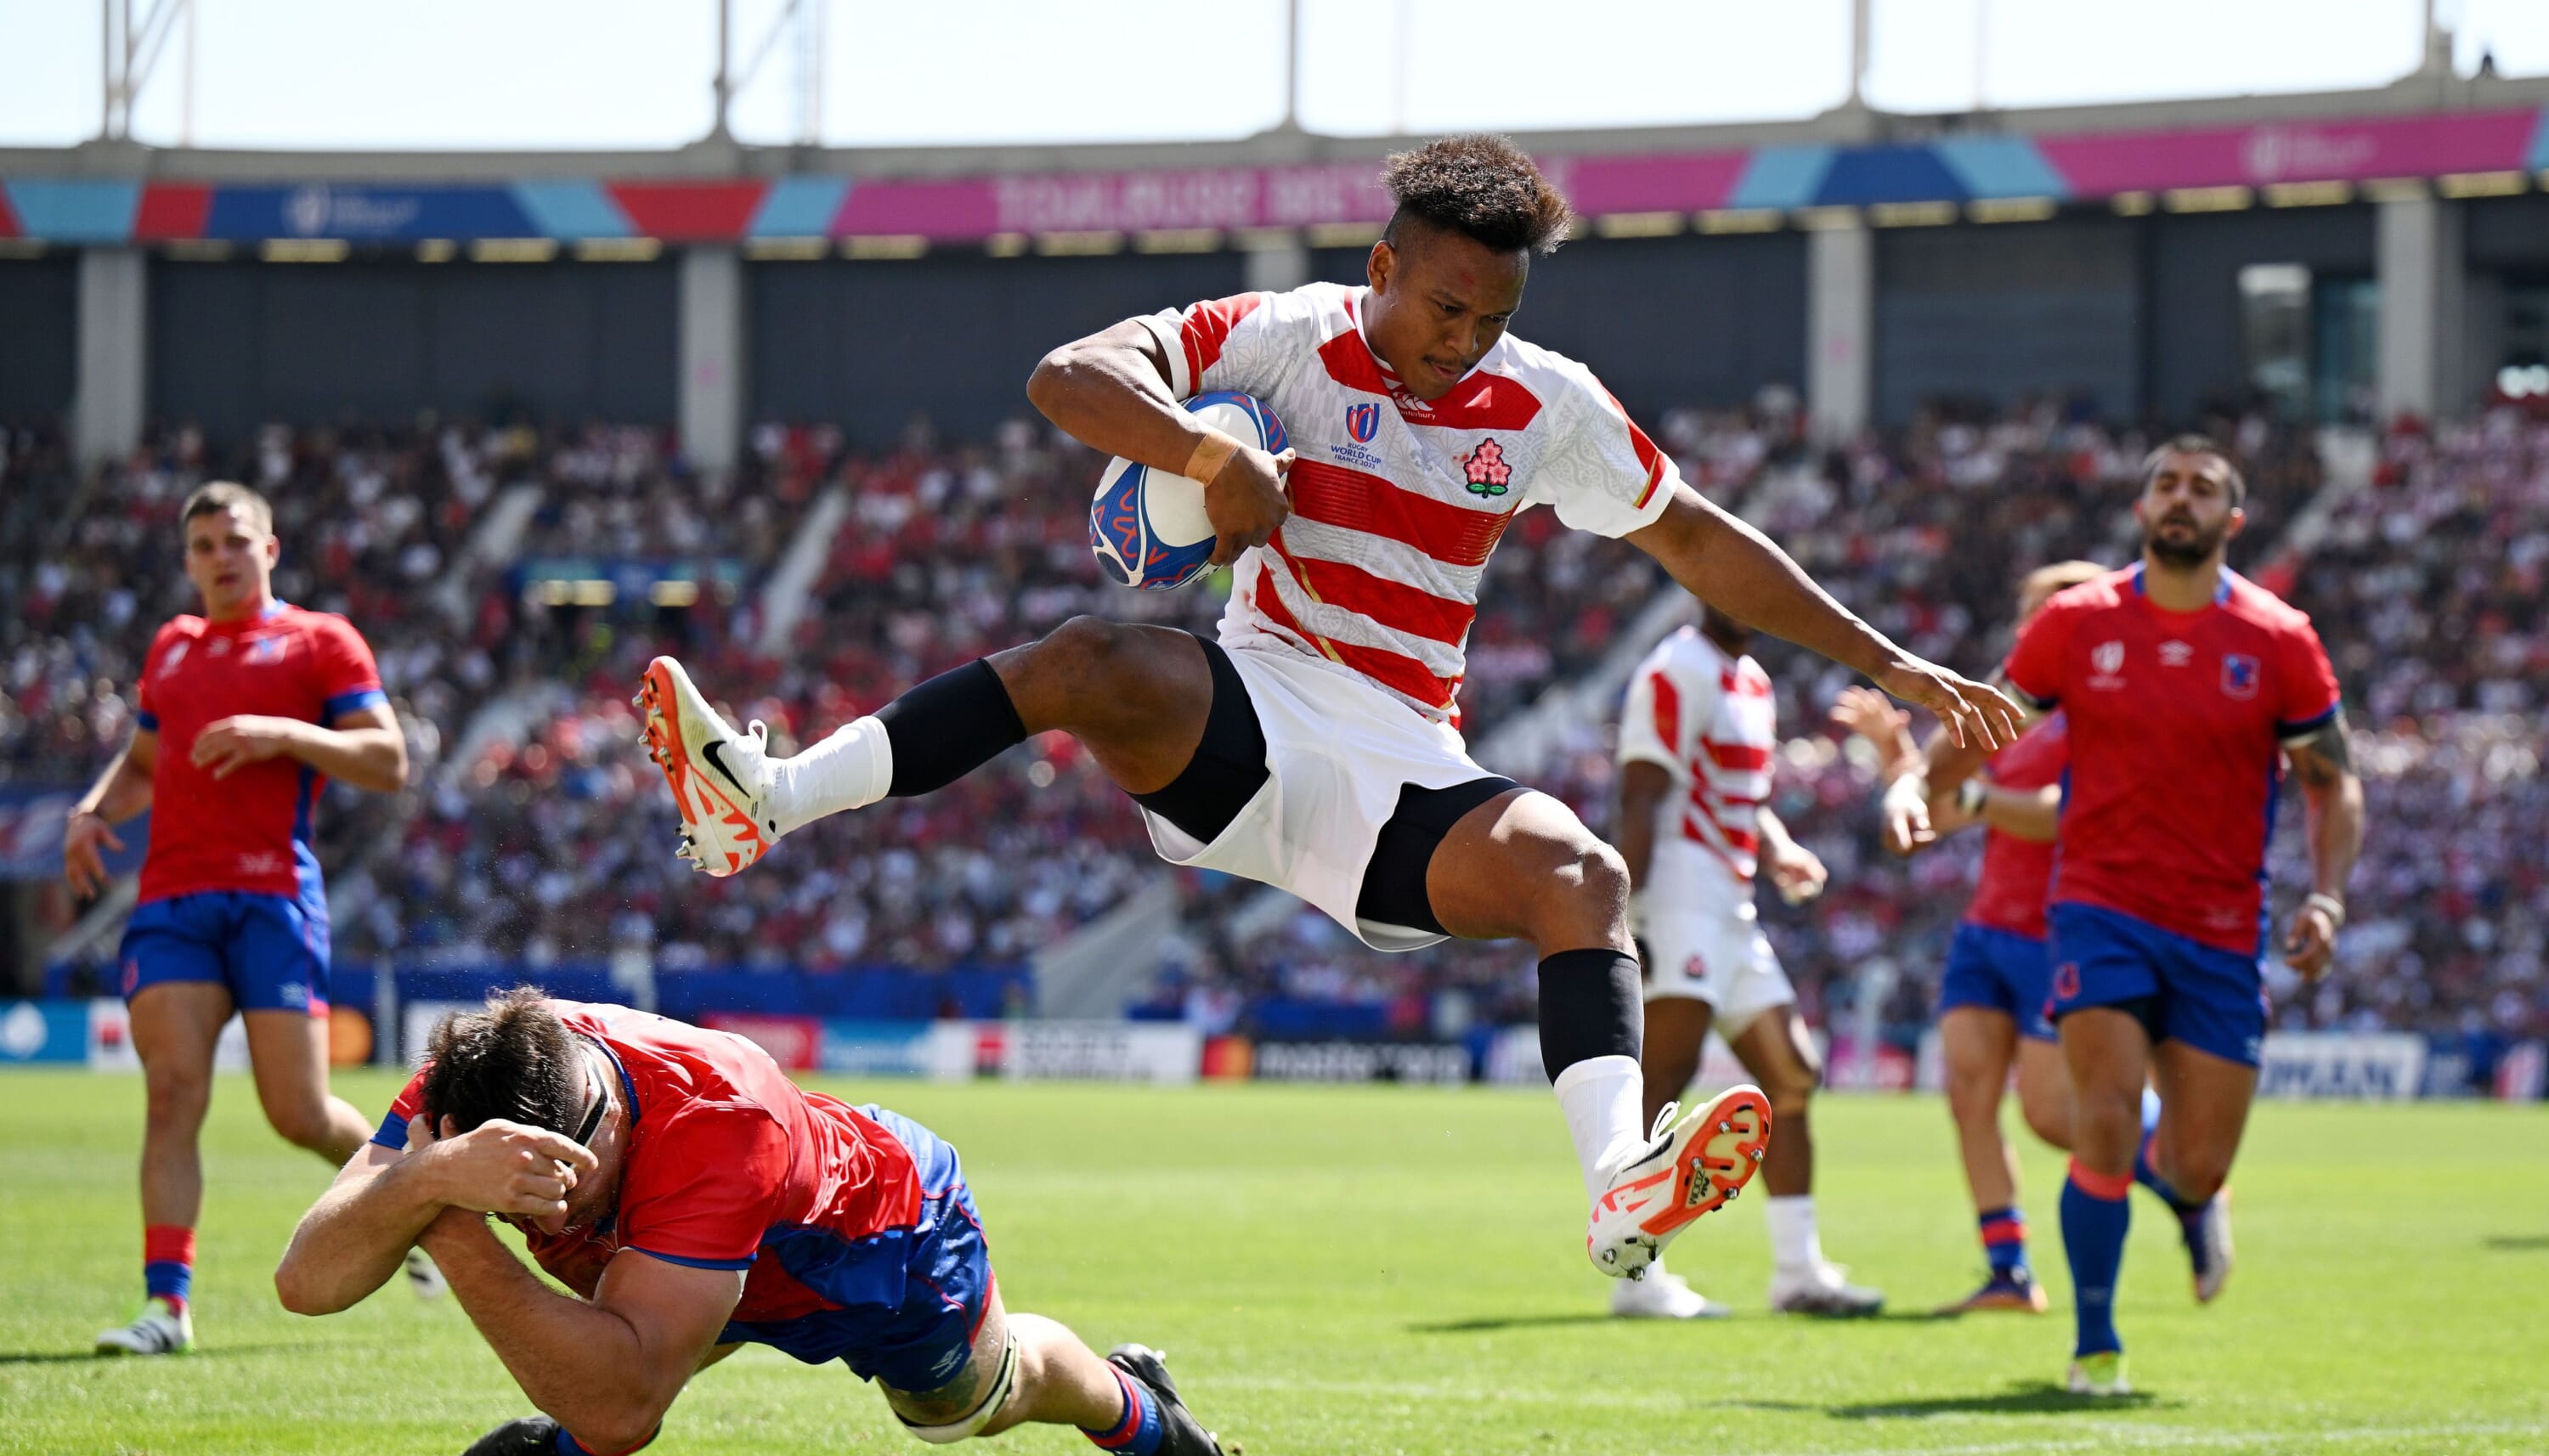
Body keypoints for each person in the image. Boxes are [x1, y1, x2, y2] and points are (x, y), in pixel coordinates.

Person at [637, 134, 2019, 1286]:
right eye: (1442, 307)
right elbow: (1068, 374)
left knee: (1581, 873)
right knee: (1091, 659)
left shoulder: (1548, 407)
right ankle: (766, 795)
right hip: (1256, 710)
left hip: (1406, 763)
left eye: (1492, 317)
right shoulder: (1291, 339)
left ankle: (1616, 1185)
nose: (1462, 339)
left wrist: (1891, 662)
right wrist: (1204, 450)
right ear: (1382, 269)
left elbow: (1705, 543)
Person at [273, 989, 1232, 1456]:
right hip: (686, 1265)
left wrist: (443, 1215)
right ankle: (574, 1437)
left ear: (600, 1104)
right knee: (623, 1336)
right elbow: (306, 1281)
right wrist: (428, 1173)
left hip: (868, 1242)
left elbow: (626, 1388)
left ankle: (1137, 1410)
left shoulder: (716, 1120)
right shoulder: (473, 1081)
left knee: (972, 1400)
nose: (546, 1197)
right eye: (513, 1172)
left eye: (562, 1167)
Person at [2000, 437, 2363, 1396]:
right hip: (2099, 905)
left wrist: (2326, 894)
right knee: (2104, 1115)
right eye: (2166, 483)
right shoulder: (2076, 623)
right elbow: (1992, 721)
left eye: (2202, 489)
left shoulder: (2279, 638)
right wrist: (1919, 785)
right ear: (2141, 508)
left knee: (2195, 1164)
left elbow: (2334, 783)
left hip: (2220, 929)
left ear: (2231, 521)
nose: (2181, 498)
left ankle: (2197, 1204)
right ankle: (2095, 1343)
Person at [65, 482, 415, 1358]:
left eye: (235, 539)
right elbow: (145, 758)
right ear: (187, 561)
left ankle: (417, 1191)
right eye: (203, 545)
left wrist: (283, 732)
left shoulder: (319, 641)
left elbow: (387, 759)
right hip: (173, 899)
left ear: (271, 547)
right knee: (173, 1091)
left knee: (296, 1111)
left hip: (271, 896)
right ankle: (166, 1305)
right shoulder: (172, 647)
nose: (220, 556)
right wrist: (93, 807)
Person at [1837, 561, 2127, 1316]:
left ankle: (2186, 1181)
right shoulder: (2008, 715)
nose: (2035, 627)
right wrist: (1895, 759)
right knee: (1968, 1092)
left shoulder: (2114, 712)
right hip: (1989, 929)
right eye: (2029, 612)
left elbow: (2070, 816)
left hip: (2061, 932)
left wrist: (1965, 796)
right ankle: (2009, 1273)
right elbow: (1941, 812)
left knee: (2052, 1116)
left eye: (2051, 611)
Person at [1610, 607, 1880, 1319]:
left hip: (1732, 904)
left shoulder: (1752, 680)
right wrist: (1620, 916)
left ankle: (1798, 1271)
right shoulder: (1674, 671)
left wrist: (1778, 846)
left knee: (1792, 1071)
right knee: (1665, 1076)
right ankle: (1636, 1275)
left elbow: (1739, 794)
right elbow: (1642, 795)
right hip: (1676, 894)